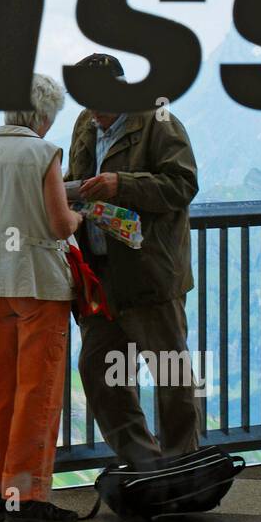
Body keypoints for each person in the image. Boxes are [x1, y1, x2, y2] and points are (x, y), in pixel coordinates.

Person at [64, 53, 202, 466]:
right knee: (100, 371)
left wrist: (120, 185)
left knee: (171, 375)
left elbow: (182, 185)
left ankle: (182, 466)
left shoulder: (158, 123)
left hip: (150, 273)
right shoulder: (85, 126)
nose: (92, 109)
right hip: (100, 275)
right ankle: (144, 462)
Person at [0, 73, 82, 522]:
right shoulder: (43, 153)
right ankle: (26, 498)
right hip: (38, 284)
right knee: (38, 392)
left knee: (2, 387)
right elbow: (59, 224)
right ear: (44, 115)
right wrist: (80, 213)